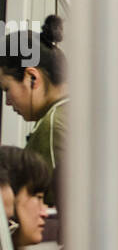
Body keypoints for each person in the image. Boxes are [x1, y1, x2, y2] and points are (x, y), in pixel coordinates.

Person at [0, 15, 68, 208]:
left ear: (32, 78)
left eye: (6, 89)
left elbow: (47, 213)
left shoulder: (53, 127)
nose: (7, 102)